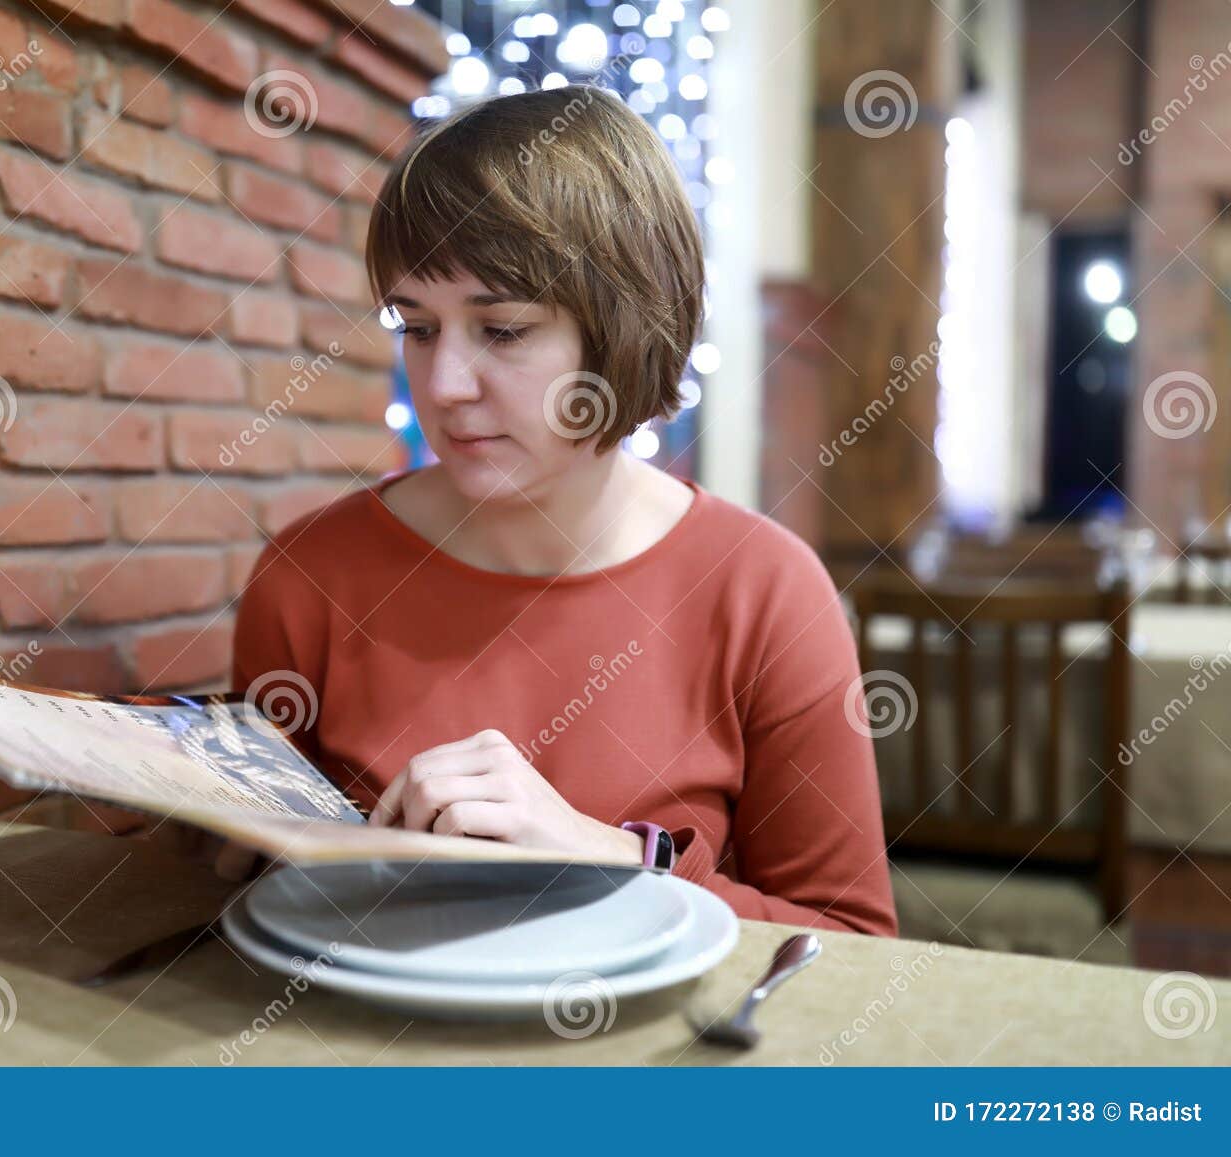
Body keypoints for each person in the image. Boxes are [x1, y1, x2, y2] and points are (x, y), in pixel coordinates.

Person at [224, 85, 897, 936]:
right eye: (417, 326)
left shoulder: (765, 592)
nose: (442, 386)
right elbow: (260, 894)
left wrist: (613, 858)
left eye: (501, 330)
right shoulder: (311, 572)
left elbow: (851, 943)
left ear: (625, 327)